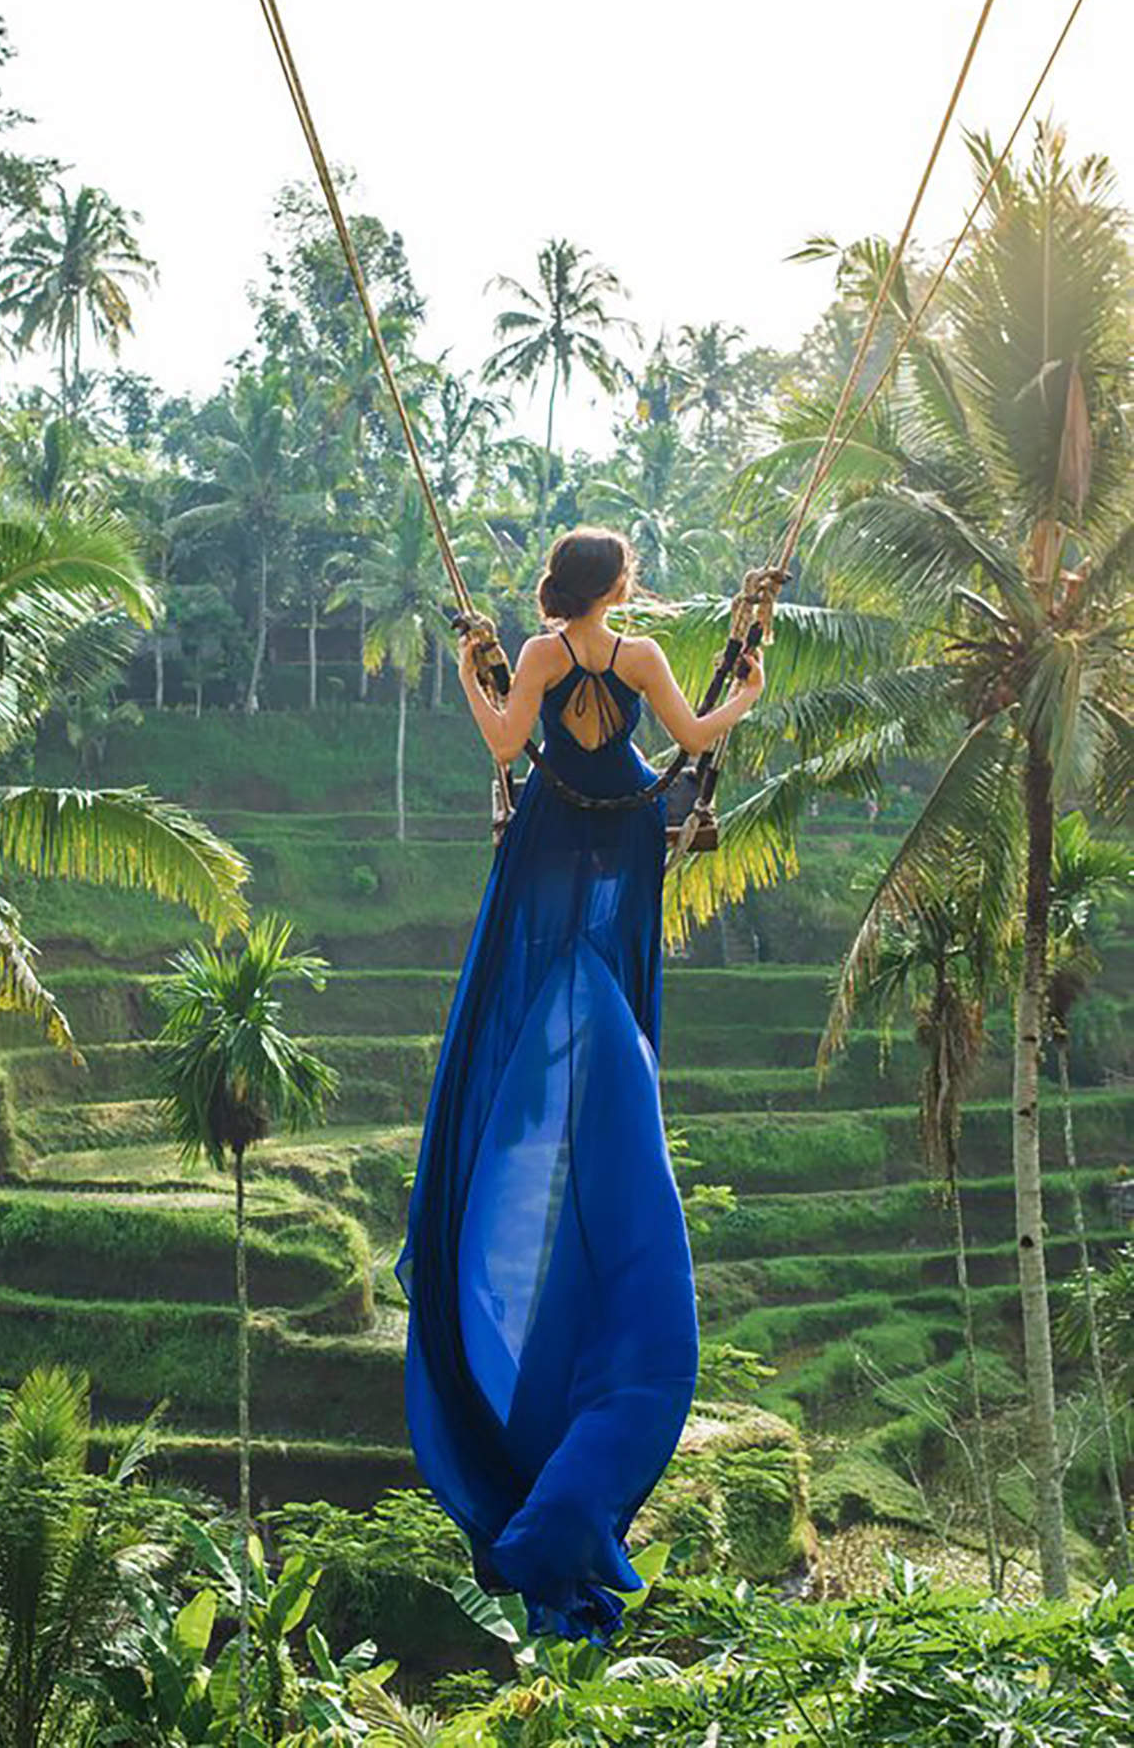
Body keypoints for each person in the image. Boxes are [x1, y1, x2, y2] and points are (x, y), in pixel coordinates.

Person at [393, 525, 765, 1643]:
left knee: (527, 996)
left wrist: (473, 673)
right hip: (622, 852)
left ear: (568, 589)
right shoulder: (642, 657)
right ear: (624, 586)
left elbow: (506, 747)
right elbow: (694, 738)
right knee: (596, 1001)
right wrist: (746, 690)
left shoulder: (543, 655)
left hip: (553, 841)